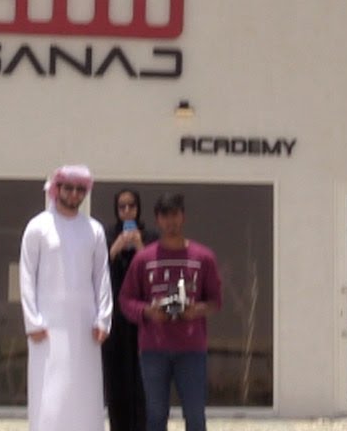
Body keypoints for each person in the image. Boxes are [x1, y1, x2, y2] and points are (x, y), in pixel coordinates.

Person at [19, 165, 112, 431]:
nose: (74, 194)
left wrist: (103, 319)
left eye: (80, 189)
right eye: (68, 188)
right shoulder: (38, 227)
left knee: (85, 394)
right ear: (57, 188)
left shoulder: (94, 229)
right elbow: (27, 275)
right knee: (49, 393)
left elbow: (102, 277)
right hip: (47, 327)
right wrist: (32, 321)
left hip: (86, 327)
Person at [118, 192, 222, 431]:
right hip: (153, 349)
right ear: (157, 219)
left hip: (192, 349)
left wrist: (196, 310)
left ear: (183, 217)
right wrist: (148, 311)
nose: (170, 222)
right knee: (155, 416)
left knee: (195, 416)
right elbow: (125, 299)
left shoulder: (203, 257)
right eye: (165, 216)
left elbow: (216, 301)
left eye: (174, 215)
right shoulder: (143, 259)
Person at [102, 188, 158, 431]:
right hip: (115, 317)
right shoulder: (106, 236)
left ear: (138, 208)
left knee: (142, 377)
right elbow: (96, 271)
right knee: (116, 375)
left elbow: (156, 271)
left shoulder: (151, 236)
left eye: (131, 206)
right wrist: (114, 249)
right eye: (122, 207)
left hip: (142, 315)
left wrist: (139, 246)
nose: (127, 211)